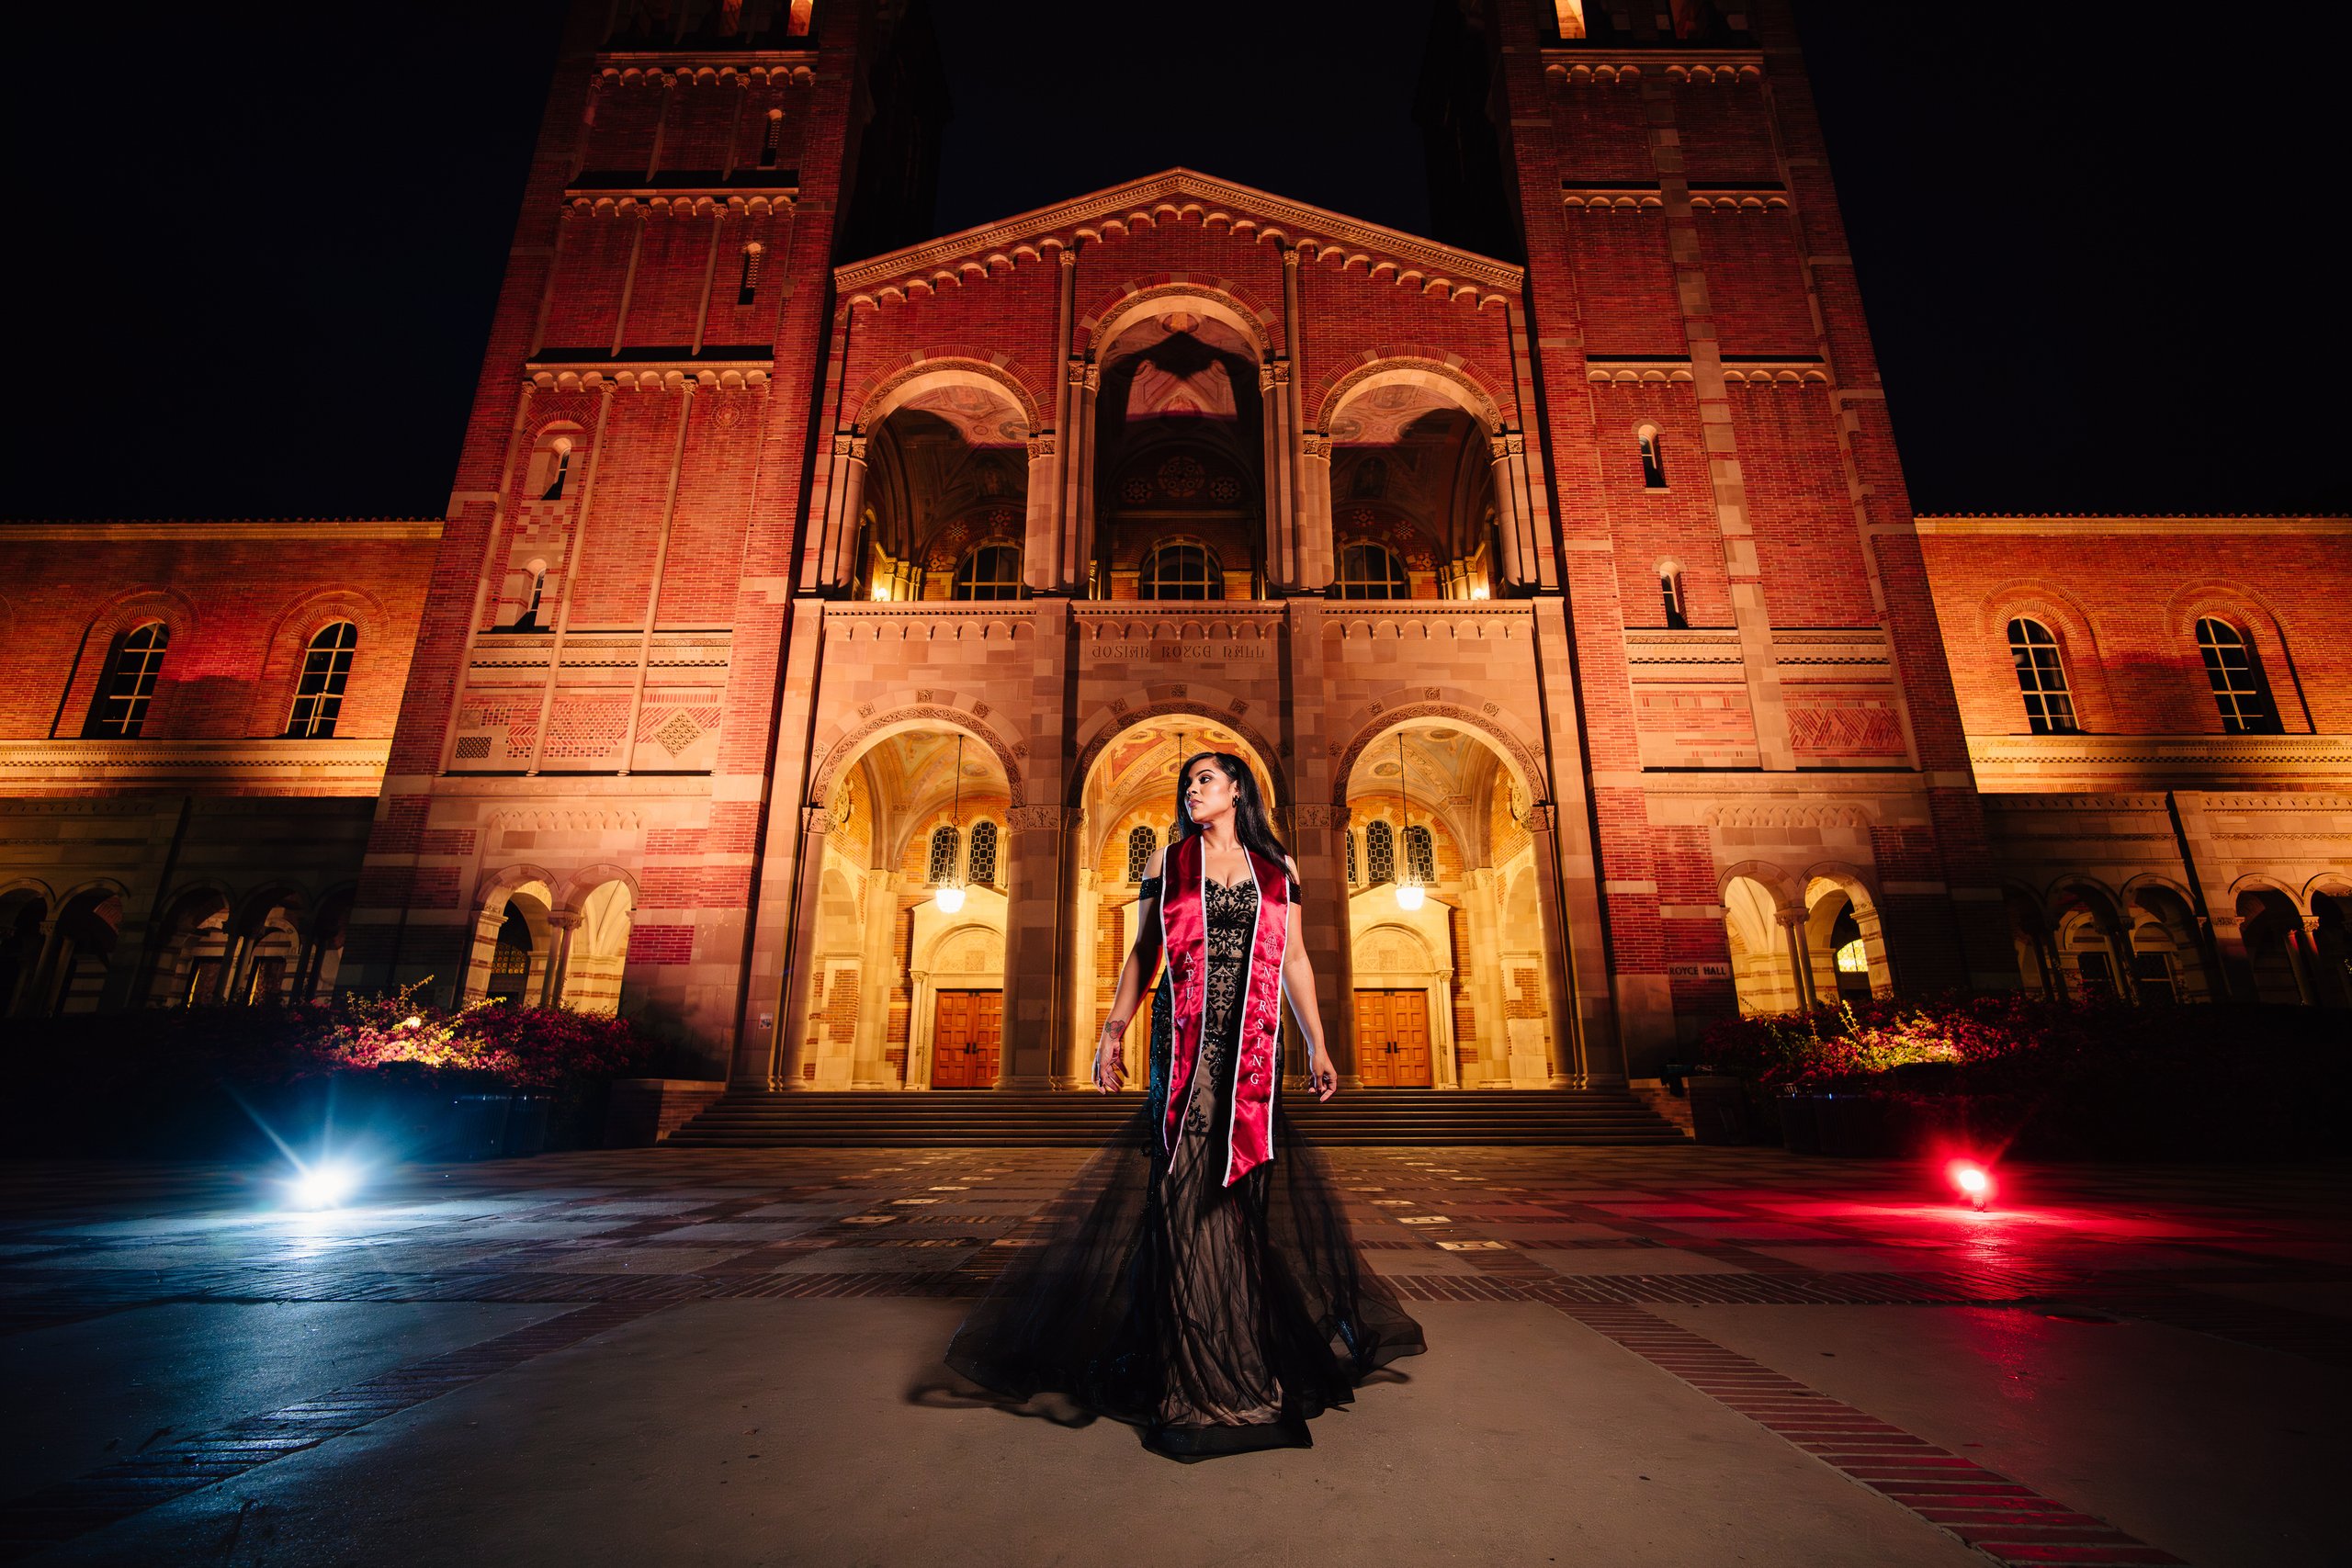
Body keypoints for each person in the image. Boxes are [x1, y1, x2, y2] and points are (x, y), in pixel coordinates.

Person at [944, 750, 1425, 1461]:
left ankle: (1243, 1363)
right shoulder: (1166, 864)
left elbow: (1294, 960)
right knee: (1181, 1190)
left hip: (1254, 1052)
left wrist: (1320, 1043)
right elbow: (1143, 954)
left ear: (1237, 790)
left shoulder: (1278, 870)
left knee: (1238, 1196)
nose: (1191, 788)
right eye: (1187, 781)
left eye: (1204, 779)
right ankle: (1186, 1369)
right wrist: (1113, 1029)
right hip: (1186, 1044)